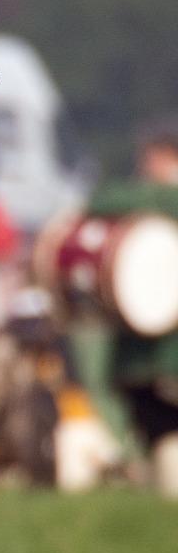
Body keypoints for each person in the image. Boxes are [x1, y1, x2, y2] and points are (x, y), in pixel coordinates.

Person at [93, 118, 178, 497]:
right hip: (143, 349)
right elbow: (99, 202)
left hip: (166, 350)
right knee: (155, 425)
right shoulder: (136, 197)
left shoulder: (155, 197)